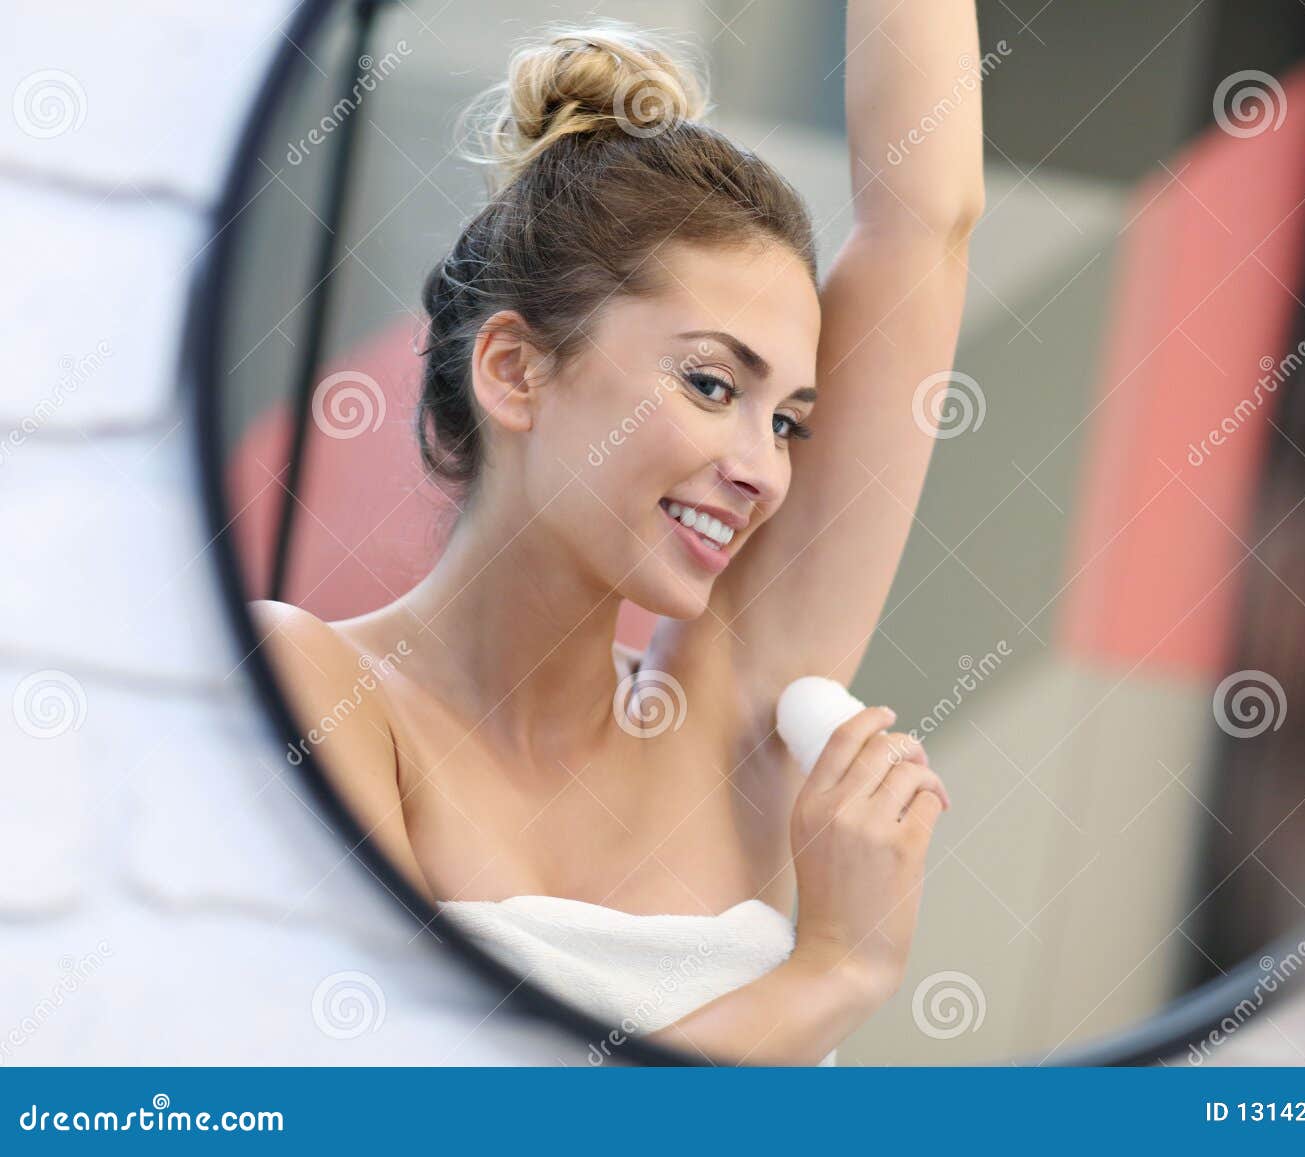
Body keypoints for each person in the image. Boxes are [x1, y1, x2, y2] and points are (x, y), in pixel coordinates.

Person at [249, 2, 984, 1064]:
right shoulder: (319, 689)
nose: (764, 469)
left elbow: (929, 219)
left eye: (787, 421)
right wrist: (836, 968)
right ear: (514, 370)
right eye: (710, 383)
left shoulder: (733, 710)